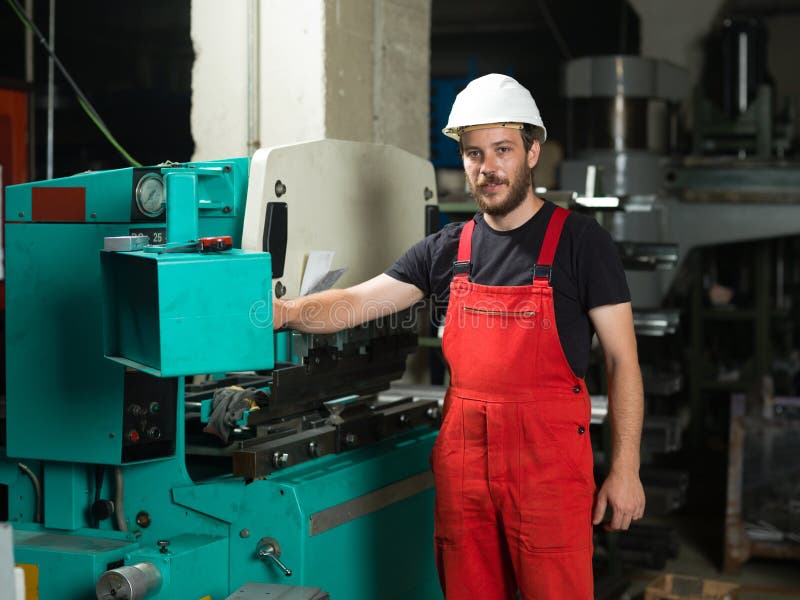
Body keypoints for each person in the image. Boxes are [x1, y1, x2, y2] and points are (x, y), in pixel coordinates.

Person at [273, 73, 645, 599]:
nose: (488, 167)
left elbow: (623, 361)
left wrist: (626, 468)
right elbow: (356, 303)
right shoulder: (447, 250)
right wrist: (282, 312)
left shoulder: (582, 244)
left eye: (502, 150)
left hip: (548, 471)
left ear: (532, 151)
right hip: (466, 469)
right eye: (474, 154)